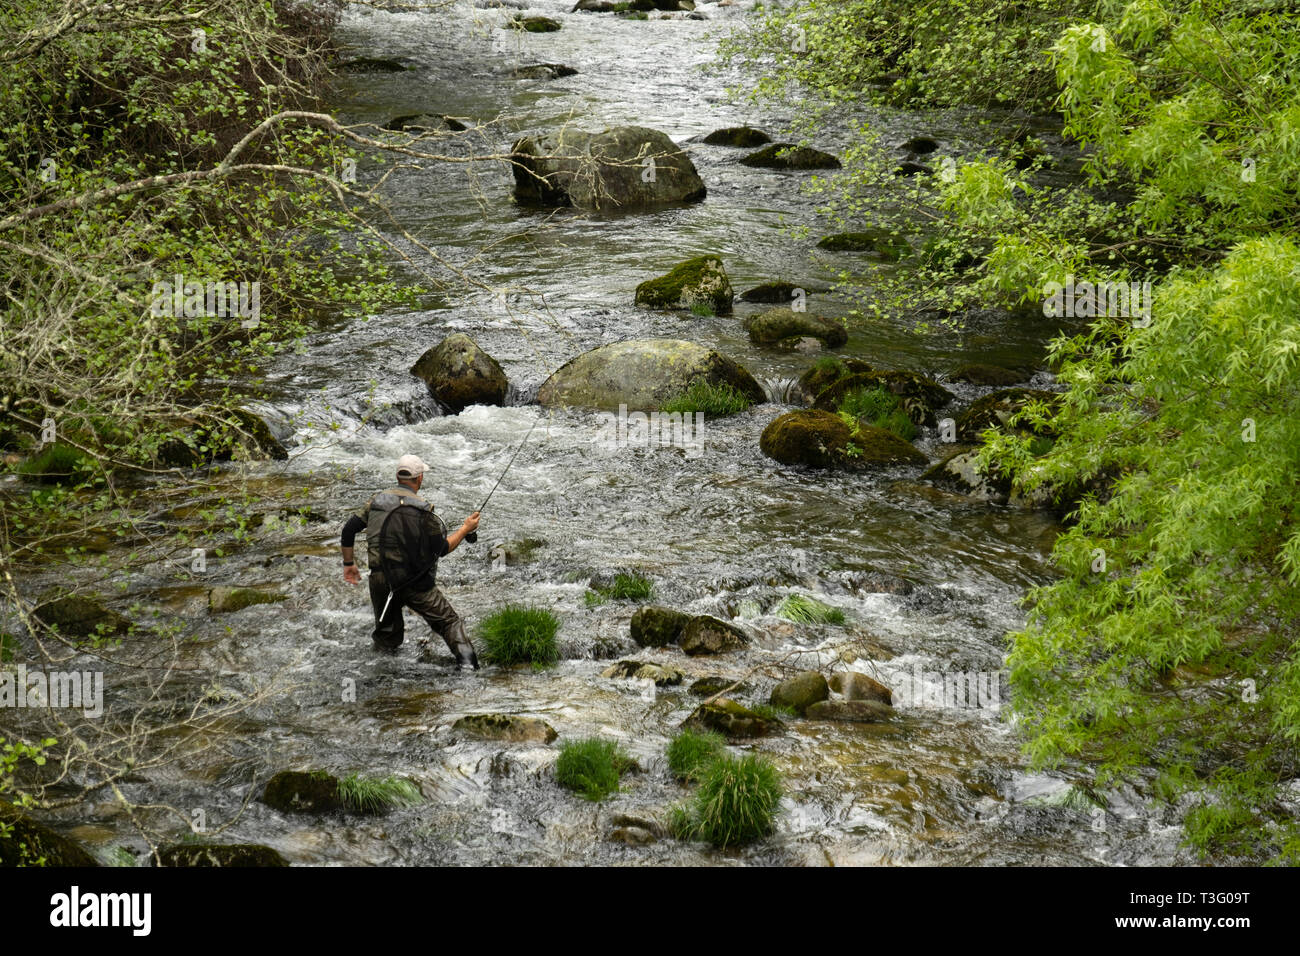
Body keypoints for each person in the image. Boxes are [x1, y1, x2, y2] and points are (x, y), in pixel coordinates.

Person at [340, 454, 481, 668]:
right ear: (420, 478)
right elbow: (442, 549)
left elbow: (349, 530)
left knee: (387, 639)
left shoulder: (376, 501)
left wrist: (349, 564)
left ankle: (384, 682)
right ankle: (470, 669)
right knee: (449, 623)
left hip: (380, 579)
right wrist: (464, 529)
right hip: (414, 582)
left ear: (398, 476)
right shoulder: (424, 510)